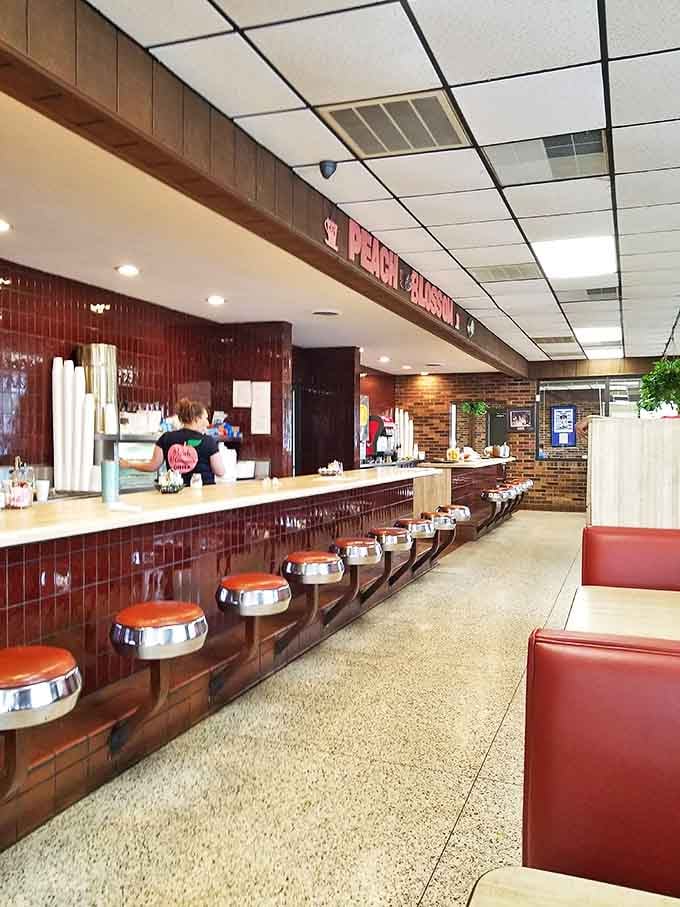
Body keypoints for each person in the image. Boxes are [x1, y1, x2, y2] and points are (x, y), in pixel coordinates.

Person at [120, 398, 225, 486]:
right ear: (196, 419)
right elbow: (220, 472)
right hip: (204, 494)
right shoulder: (208, 441)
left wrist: (129, 464)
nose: (207, 423)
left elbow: (153, 466)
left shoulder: (166, 438)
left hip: (177, 493)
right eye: (205, 418)